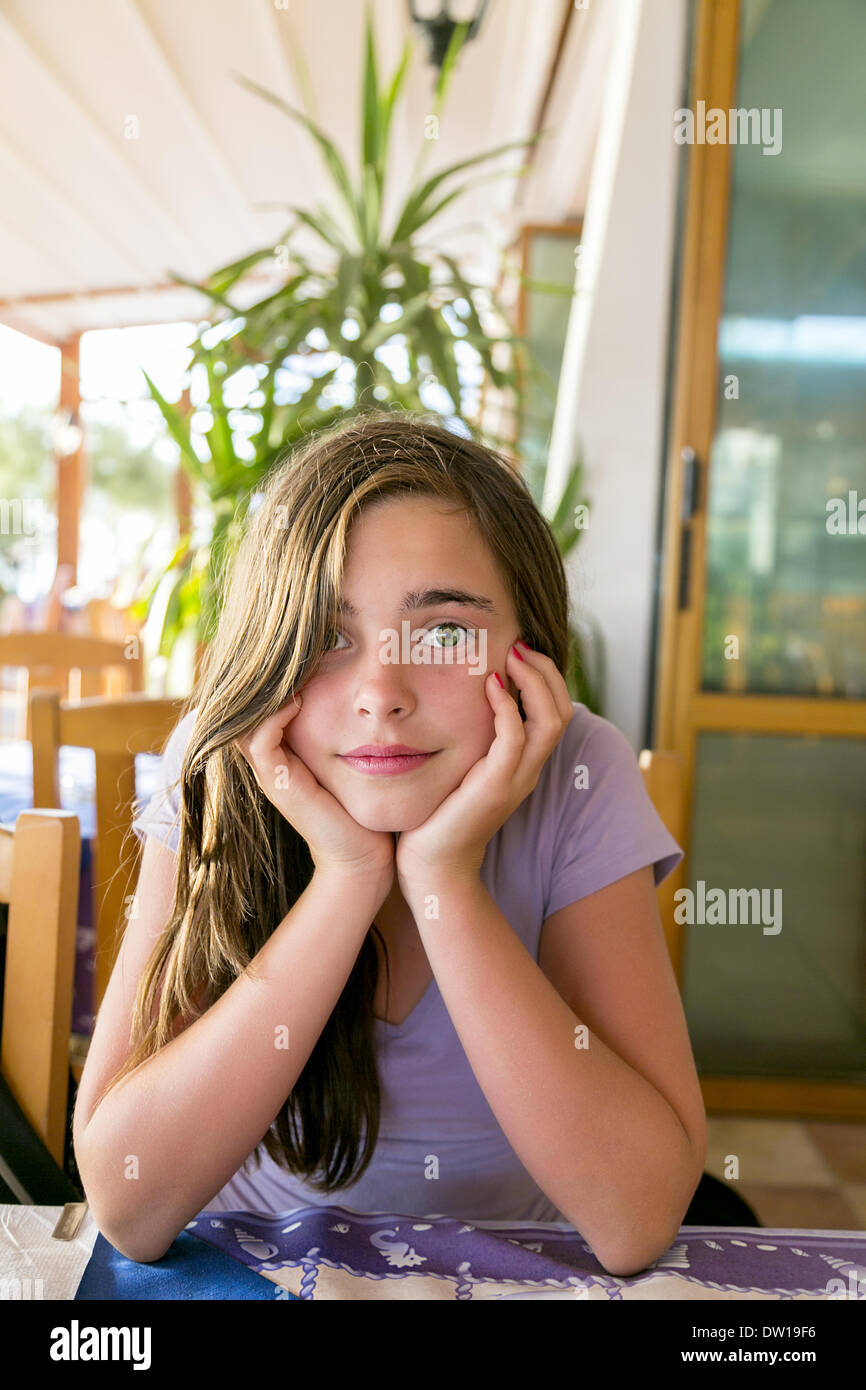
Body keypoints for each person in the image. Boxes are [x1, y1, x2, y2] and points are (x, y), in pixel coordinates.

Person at [72, 410, 708, 1276]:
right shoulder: (224, 767)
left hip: (513, 1266)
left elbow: (636, 1219)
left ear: (530, 657)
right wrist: (346, 878)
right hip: (255, 1266)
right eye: (329, 637)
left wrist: (445, 877)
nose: (380, 693)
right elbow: (128, 1204)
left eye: (443, 631)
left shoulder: (577, 773)